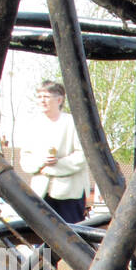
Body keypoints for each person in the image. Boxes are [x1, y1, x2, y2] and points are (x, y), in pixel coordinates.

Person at [19, 80, 90, 223]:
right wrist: (40, 162)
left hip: (69, 194)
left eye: (46, 97)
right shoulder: (32, 125)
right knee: (42, 238)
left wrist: (54, 167)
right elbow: (25, 159)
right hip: (40, 194)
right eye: (39, 97)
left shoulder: (73, 123)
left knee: (71, 236)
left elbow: (83, 156)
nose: (42, 101)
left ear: (59, 99)